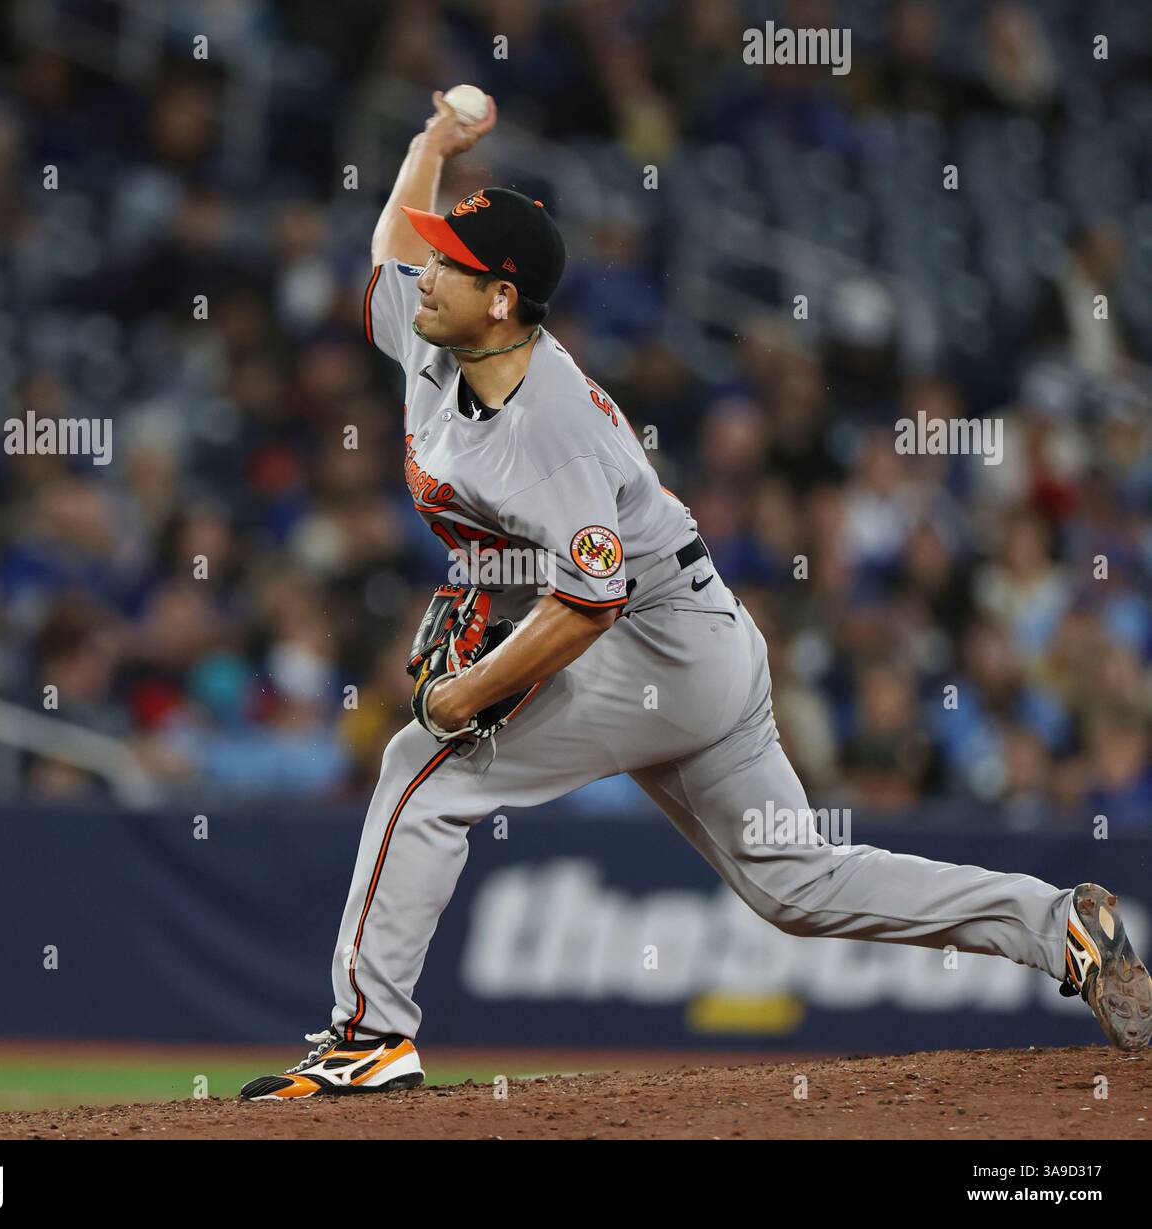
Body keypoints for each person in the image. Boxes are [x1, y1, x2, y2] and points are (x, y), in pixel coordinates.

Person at [240, 91, 1150, 1100]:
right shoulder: (439, 335)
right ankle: (1056, 924)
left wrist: (469, 692)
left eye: (447, 260)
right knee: (796, 884)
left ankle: (370, 1035)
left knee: (424, 765)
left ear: (501, 297)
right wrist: (430, 144)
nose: (424, 272)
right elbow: (382, 259)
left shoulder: (549, 426)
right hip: (696, 638)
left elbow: (589, 598)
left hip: (647, 641)